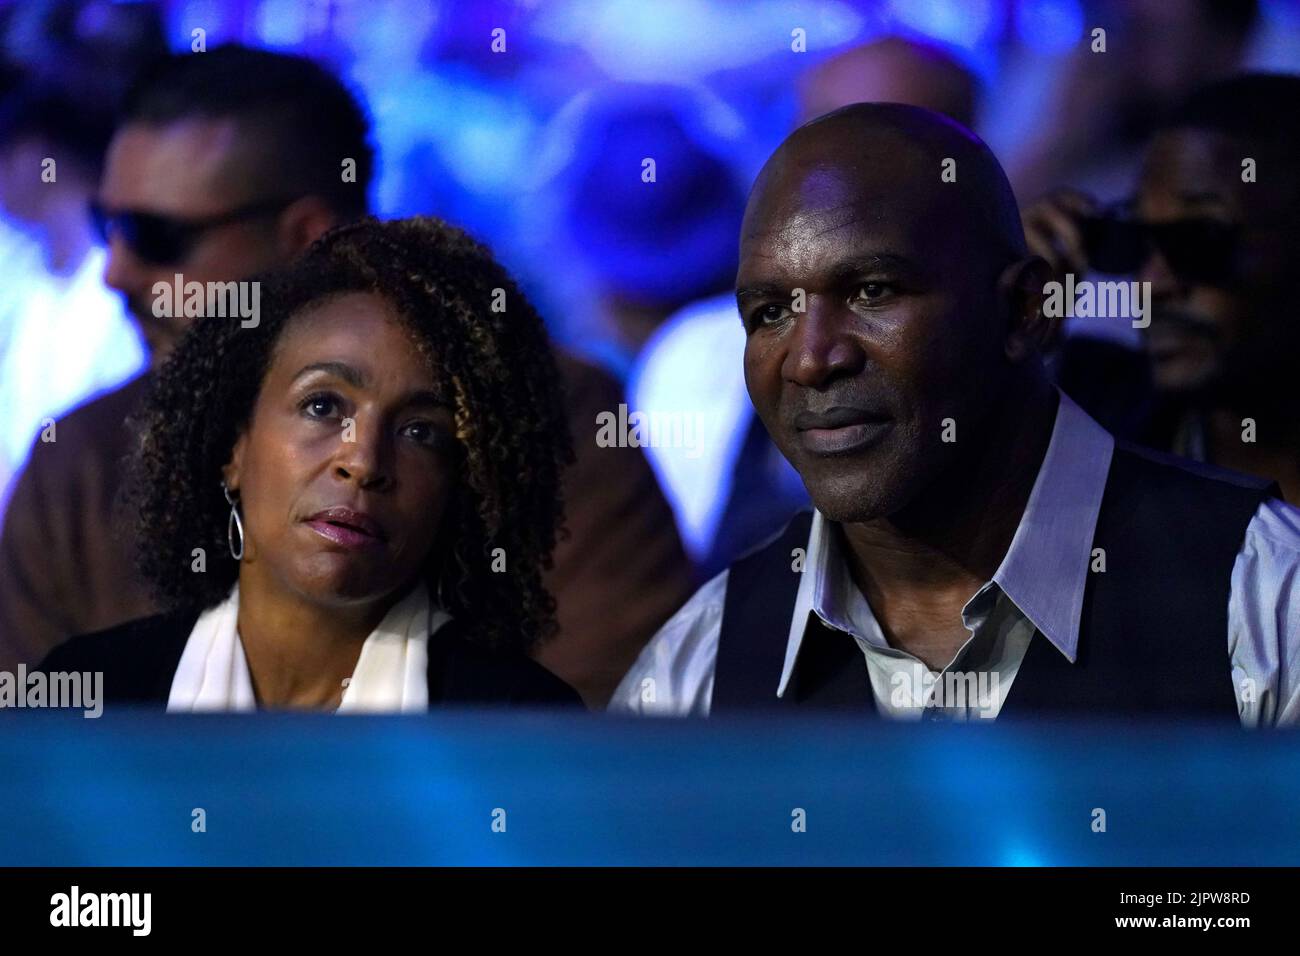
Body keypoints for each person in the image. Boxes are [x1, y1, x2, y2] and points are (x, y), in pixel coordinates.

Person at [610, 103, 1300, 726]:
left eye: (873, 290)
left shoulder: (1263, 602)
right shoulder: (701, 662)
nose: (811, 359)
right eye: (769, 314)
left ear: (1025, 309)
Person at [39, 217, 581, 711]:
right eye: (322, 406)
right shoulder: (90, 693)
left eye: (421, 432)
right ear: (234, 447)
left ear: (461, 485)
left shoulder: (522, 724)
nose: (364, 461)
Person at [629, 35, 980, 578]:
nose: (814, 359)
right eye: (819, 137)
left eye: (890, 149)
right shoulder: (693, 358)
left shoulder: (1026, 352)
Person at [1025, 73, 1300, 504]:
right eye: (1135, 241)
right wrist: (1005, 321)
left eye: (1198, 240)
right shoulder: (1094, 419)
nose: (1150, 287)